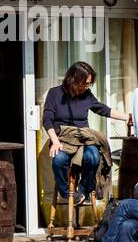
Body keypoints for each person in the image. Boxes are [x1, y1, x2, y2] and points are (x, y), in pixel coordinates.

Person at [44, 61, 130, 205]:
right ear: (73, 79)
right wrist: (55, 141)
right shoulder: (54, 93)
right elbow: (47, 120)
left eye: (89, 84)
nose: (86, 87)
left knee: (93, 156)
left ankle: (84, 190)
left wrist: (127, 117)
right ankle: (66, 193)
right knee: (58, 160)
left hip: (83, 138)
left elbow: (103, 109)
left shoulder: (86, 95)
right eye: (84, 83)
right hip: (63, 139)